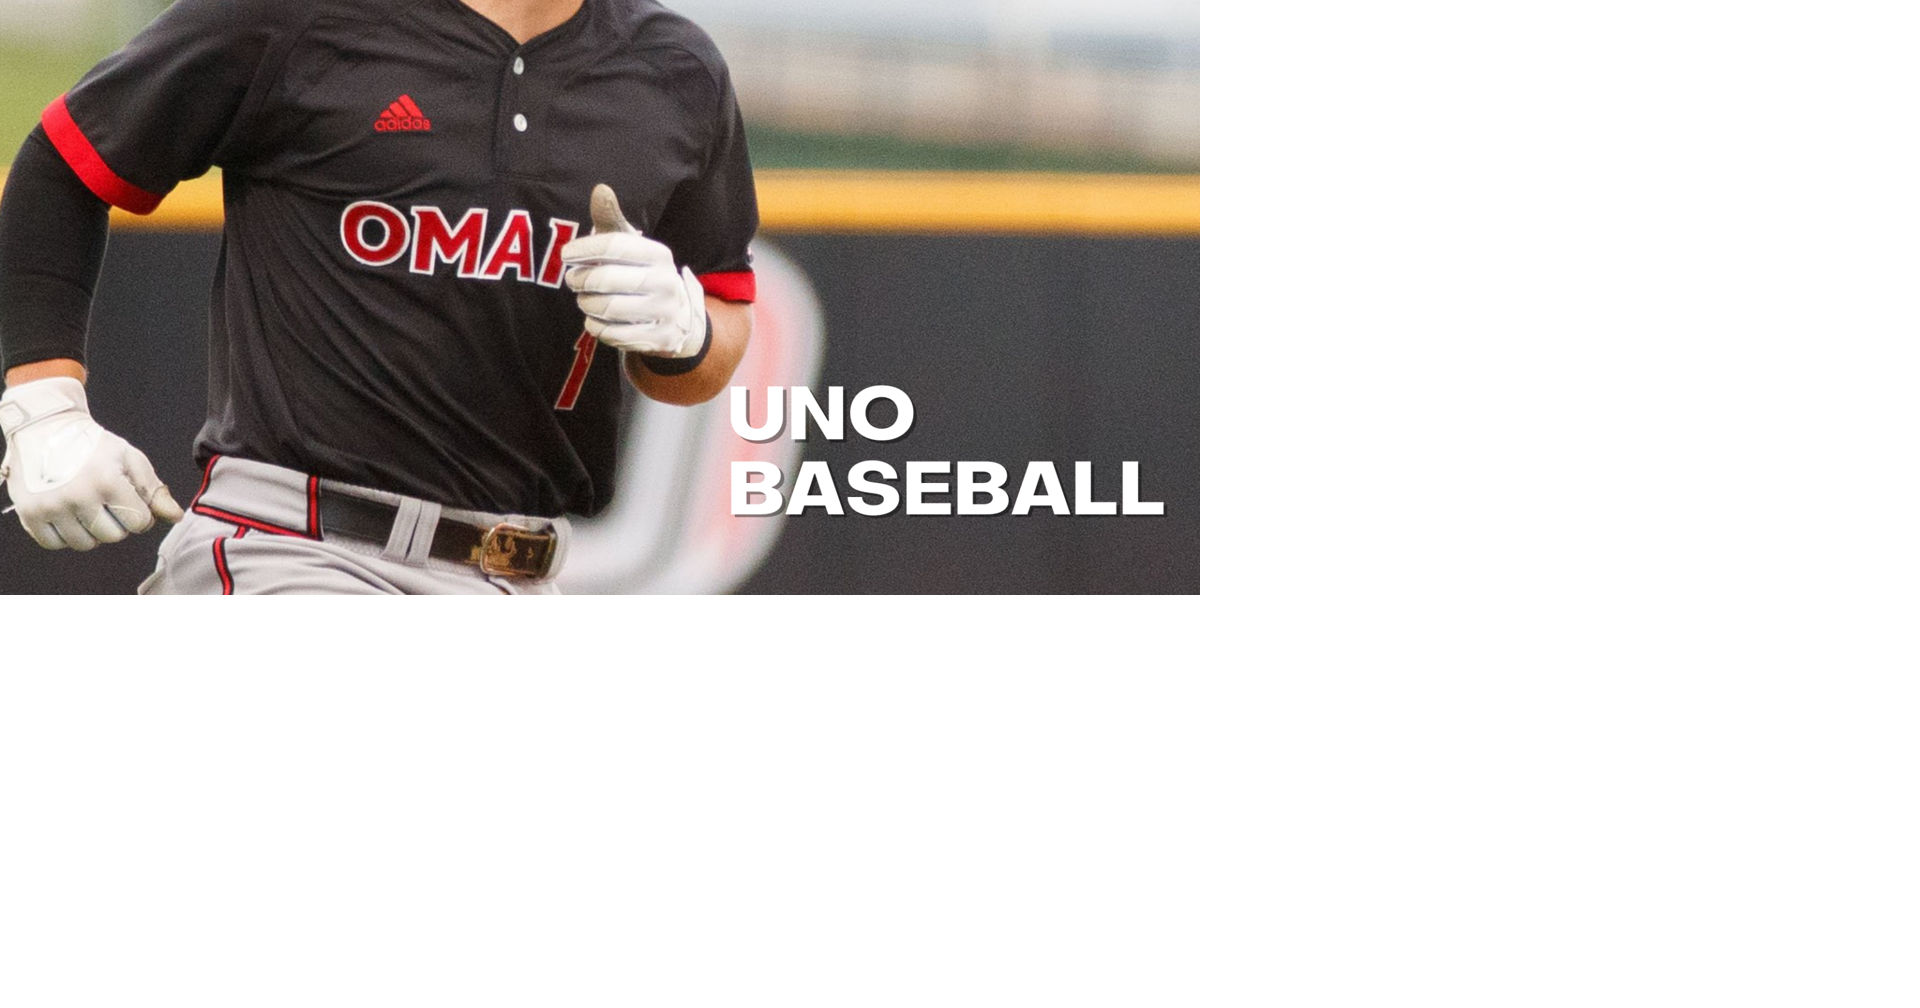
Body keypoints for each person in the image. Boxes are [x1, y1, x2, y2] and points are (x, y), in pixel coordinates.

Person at [0, 0, 757, 593]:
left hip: (526, 568)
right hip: (294, 548)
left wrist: (685, 331)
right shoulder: (295, 16)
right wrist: (44, 407)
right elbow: (65, 161)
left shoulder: (677, 70)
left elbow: (719, 327)